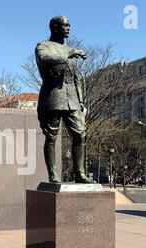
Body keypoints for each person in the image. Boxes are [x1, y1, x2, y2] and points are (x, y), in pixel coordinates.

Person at [36, 16, 93, 183]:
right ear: (54, 27)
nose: (68, 28)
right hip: (52, 96)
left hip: (73, 100)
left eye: (69, 25)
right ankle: (53, 175)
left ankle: (79, 173)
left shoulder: (69, 50)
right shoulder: (44, 46)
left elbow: (76, 78)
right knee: (51, 136)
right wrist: (69, 54)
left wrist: (81, 103)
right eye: (64, 25)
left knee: (80, 134)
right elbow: (43, 59)